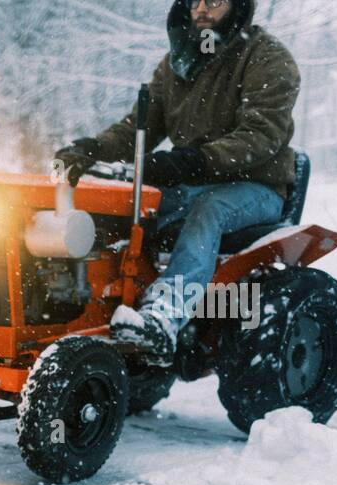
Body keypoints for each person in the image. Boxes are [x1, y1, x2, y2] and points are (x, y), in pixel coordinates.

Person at [54, 0, 300, 364]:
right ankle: (89, 306)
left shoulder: (267, 58)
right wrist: (94, 148)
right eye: (194, 1)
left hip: (256, 185)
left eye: (214, 2)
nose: (202, 9)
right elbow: (138, 128)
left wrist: (196, 160)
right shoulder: (178, 63)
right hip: (195, 180)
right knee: (124, 209)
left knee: (208, 211)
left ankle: (164, 314)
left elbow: (261, 136)